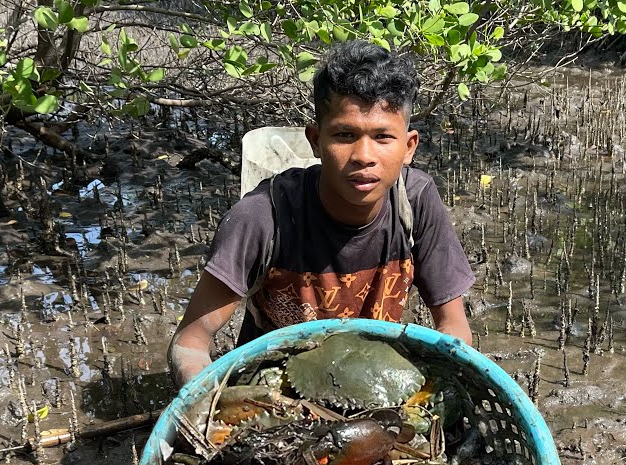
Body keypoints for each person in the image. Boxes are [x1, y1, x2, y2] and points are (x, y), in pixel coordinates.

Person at [167, 40, 475, 389]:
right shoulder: (261, 217)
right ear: (315, 140)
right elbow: (190, 342)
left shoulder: (415, 201)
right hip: (276, 388)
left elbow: (454, 327)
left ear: (409, 147)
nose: (364, 156)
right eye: (345, 135)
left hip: (376, 381)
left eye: (383, 137)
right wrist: (207, 396)